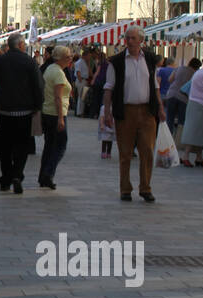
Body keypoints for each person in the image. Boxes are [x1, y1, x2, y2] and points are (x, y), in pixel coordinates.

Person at [102, 25, 165, 203]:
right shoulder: (116, 61)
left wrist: (160, 107)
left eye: (132, 38)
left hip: (147, 111)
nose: (129, 41)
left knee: (147, 151)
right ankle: (125, 189)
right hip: (126, 111)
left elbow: (155, 86)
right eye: (127, 38)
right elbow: (108, 88)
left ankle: (145, 188)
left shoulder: (150, 60)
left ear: (141, 41)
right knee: (125, 152)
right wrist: (107, 112)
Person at [0, 32, 44, 193]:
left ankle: (6, 178)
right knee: (22, 145)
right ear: (20, 45)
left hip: (4, 110)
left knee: (5, 147)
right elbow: (38, 85)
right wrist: (37, 105)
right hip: (24, 111)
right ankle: (17, 175)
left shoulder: (1, 61)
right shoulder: (29, 61)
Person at [38, 45, 72, 189]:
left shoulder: (50, 69)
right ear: (63, 58)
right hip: (56, 113)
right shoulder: (58, 73)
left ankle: (43, 176)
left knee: (49, 145)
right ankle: (48, 173)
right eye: (69, 57)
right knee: (60, 146)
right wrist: (60, 118)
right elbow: (58, 97)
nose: (70, 59)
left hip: (47, 111)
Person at [165, 57, 196, 137]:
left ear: (189, 63)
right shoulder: (194, 74)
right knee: (181, 121)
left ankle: (168, 138)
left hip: (171, 94)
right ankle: (179, 139)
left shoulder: (179, 68)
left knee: (169, 118)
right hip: (184, 98)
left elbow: (170, 79)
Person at [73, 49, 91, 117]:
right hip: (82, 80)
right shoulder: (79, 62)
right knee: (81, 97)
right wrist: (81, 80)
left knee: (83, 97)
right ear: (85, 56)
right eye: (88, 56)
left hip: (84, 80)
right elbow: (78, 72)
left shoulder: (84, 62)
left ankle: (81, 111)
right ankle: (80, 112)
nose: (89, 58)